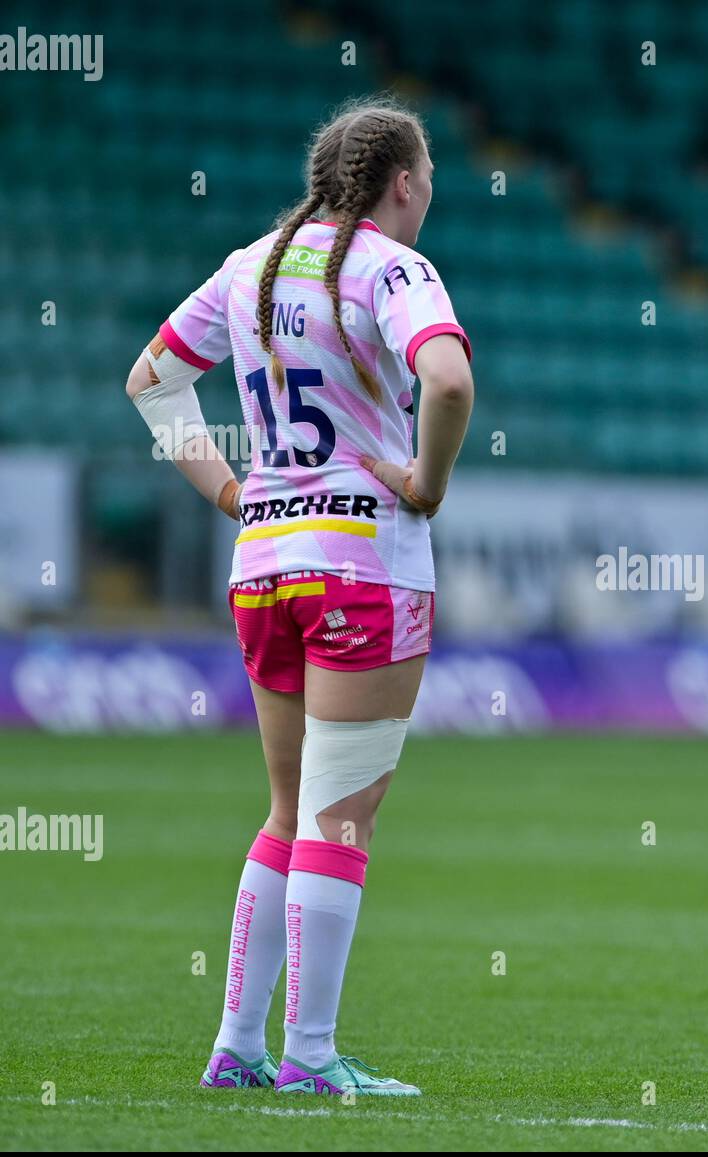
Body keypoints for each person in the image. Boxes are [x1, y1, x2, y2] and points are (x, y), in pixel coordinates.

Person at [124, 99, 474, 1096]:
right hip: (362, 564)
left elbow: (151, 379)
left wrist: (232, 491)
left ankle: (237, 1047)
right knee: (340, 819)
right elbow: (445, 380)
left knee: (288, 810)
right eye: (430, 178)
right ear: (402, 182)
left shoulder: (251, 265)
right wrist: (428, 484)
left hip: (265, 564)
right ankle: (312, 1058)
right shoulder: (390, 267)